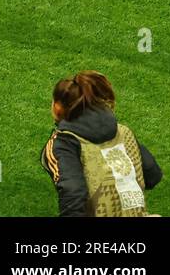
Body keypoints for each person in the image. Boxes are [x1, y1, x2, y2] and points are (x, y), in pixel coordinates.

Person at [40, 71, 162, 216]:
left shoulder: (64, 143)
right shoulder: (124, 131)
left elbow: (72, 192)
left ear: (58, 107)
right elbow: (153, 176)